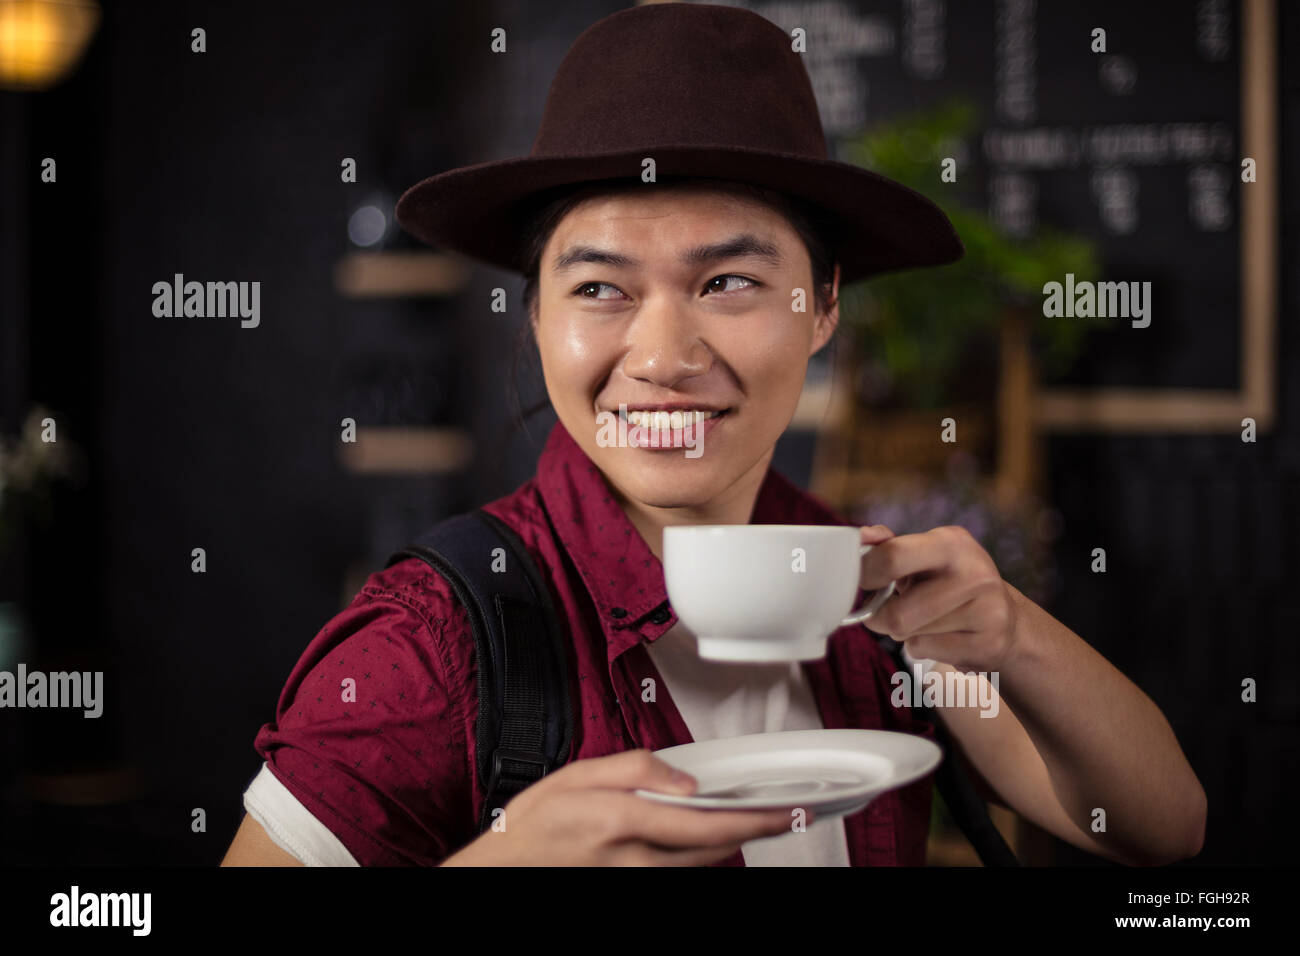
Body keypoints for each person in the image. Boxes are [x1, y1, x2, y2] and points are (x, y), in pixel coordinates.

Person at [221, 3, 1205, 867]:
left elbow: (1155, 829)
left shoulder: (857, 595)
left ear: (822, 306)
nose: (662, 354)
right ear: (535, 319)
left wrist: (1013, 631)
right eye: (599, 287)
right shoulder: (430, 640)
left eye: (728, 281)